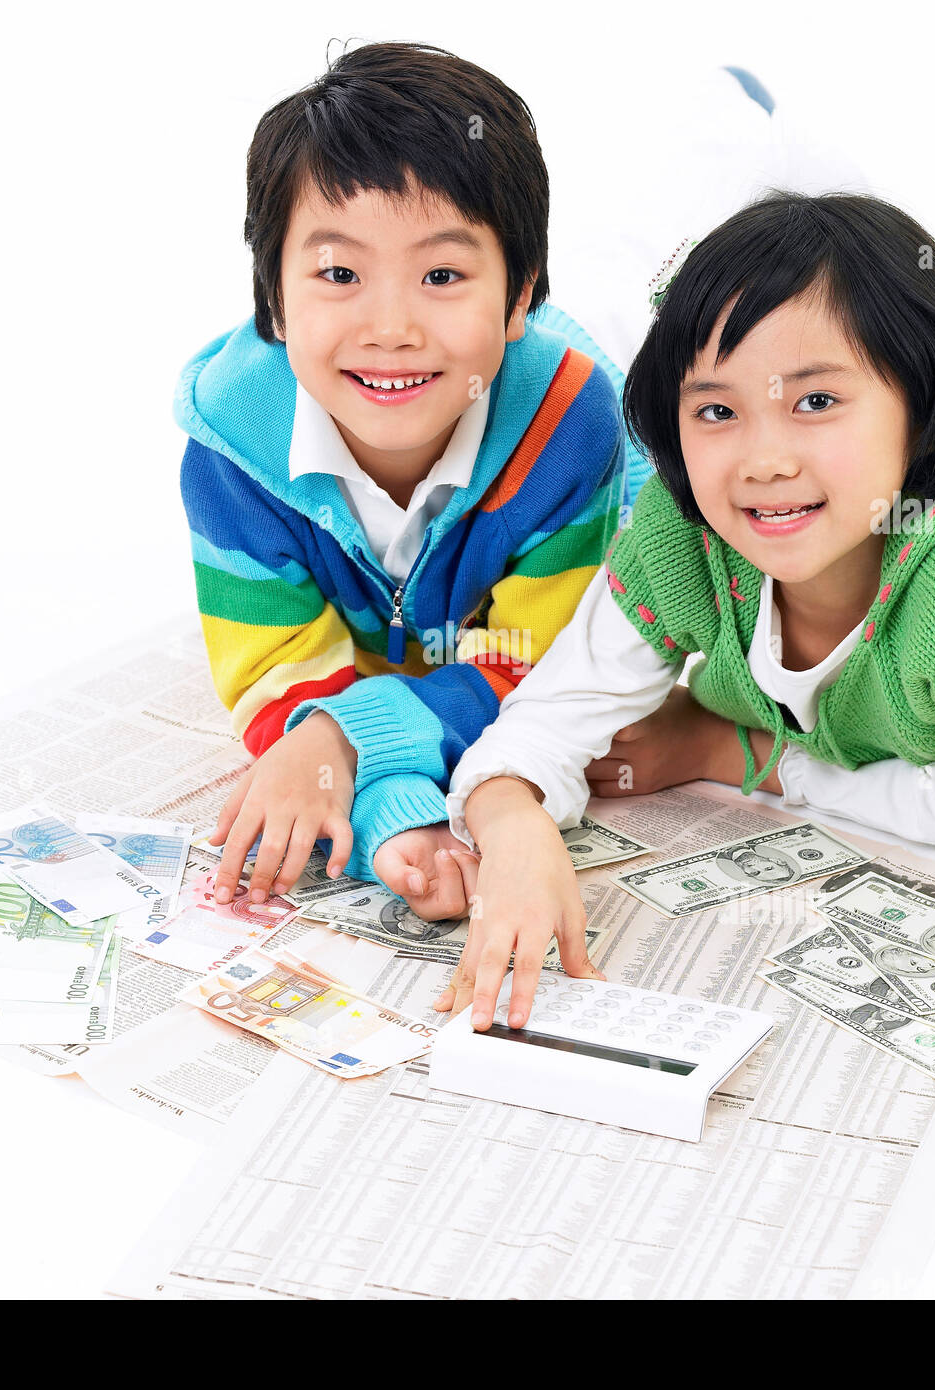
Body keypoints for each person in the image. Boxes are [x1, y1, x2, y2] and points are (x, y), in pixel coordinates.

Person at [437, 192, 935, 1031]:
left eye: (814, 402)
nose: (763, 461)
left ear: (923, 405)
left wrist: (738, 752)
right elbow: (547, 720)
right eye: (718, 411)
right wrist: (512, 826)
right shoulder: (683, 534)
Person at [182, 42, 653, 921]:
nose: (390, 327)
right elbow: (280, 674)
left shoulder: (570, 431)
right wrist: (394, 813)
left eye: (442, 274)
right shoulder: (231, 450)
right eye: (338, 274)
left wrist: (345, 735)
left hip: (625, 399)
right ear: (276, 302)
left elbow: (536, 669)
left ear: (521, 298)